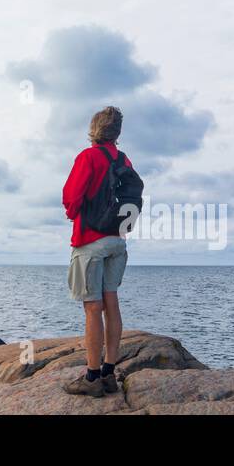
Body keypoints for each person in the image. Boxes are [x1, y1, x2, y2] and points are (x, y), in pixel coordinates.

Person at [60, 106, 131, 397]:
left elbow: (71, 197)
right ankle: (109, 373)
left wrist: (74, 212)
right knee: (111, 301)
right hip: (117, 241)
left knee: (92, 309)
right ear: (117, 132)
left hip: (91, 240)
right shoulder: (123, 159)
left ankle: (91, 378)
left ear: (94, 129)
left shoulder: (88, 157)